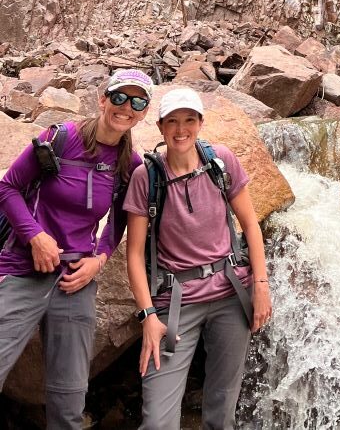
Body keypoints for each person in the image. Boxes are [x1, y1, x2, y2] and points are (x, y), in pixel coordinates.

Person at [0, 68, 154, 430]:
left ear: (144, 111)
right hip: (23, 269)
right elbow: (8, 188)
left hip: (74, 281)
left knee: (69, 402)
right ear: (102, 100)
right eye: (118, 97)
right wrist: (34, 236)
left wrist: (98, 261)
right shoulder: (61, 138)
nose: (126, 107)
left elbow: (120, 220)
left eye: (137, 102)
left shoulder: (128, 164)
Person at [125, 86, 271, 430]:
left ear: (200, 123)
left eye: (189, 120)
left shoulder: (221, 162)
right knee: (158, 422)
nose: (181, 130)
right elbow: (133, 255)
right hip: (174, 305)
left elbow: (250, 225)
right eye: (172, 122)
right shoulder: (147, 178)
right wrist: (147, 315)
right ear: (160, 127)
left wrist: (261, 284)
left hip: (231, 296)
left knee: (222, 413)